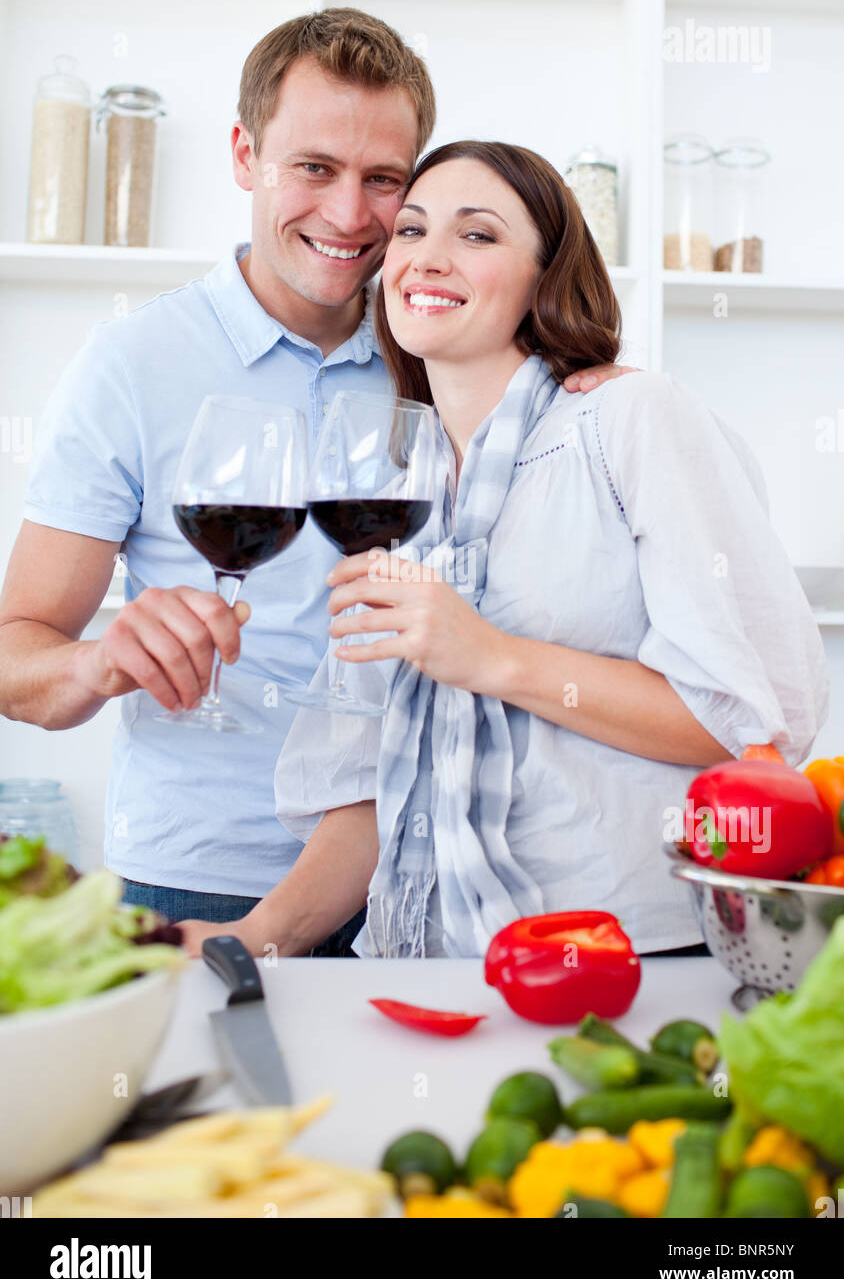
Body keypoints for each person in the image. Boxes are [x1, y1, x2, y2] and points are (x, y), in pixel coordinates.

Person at [0, 13, 621, 945]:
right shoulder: (133, 361)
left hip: (425, 865)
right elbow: (18, 657)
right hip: (195, 879)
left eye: (383, 180)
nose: (348, 215)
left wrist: (592, 380)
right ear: (246, 155)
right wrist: (96, 660)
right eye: (315, 169)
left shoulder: (443, 345)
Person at [179, 139, 828, 961]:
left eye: (477, 236)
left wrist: (492, 658)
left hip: (633, 962)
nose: (428, 259)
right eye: (410, 232)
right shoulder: (402, 482)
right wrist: (256, 938)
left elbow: (752, 720)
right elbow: (379, 785)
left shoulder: (629, 420)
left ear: (544, 279)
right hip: (437, 961)